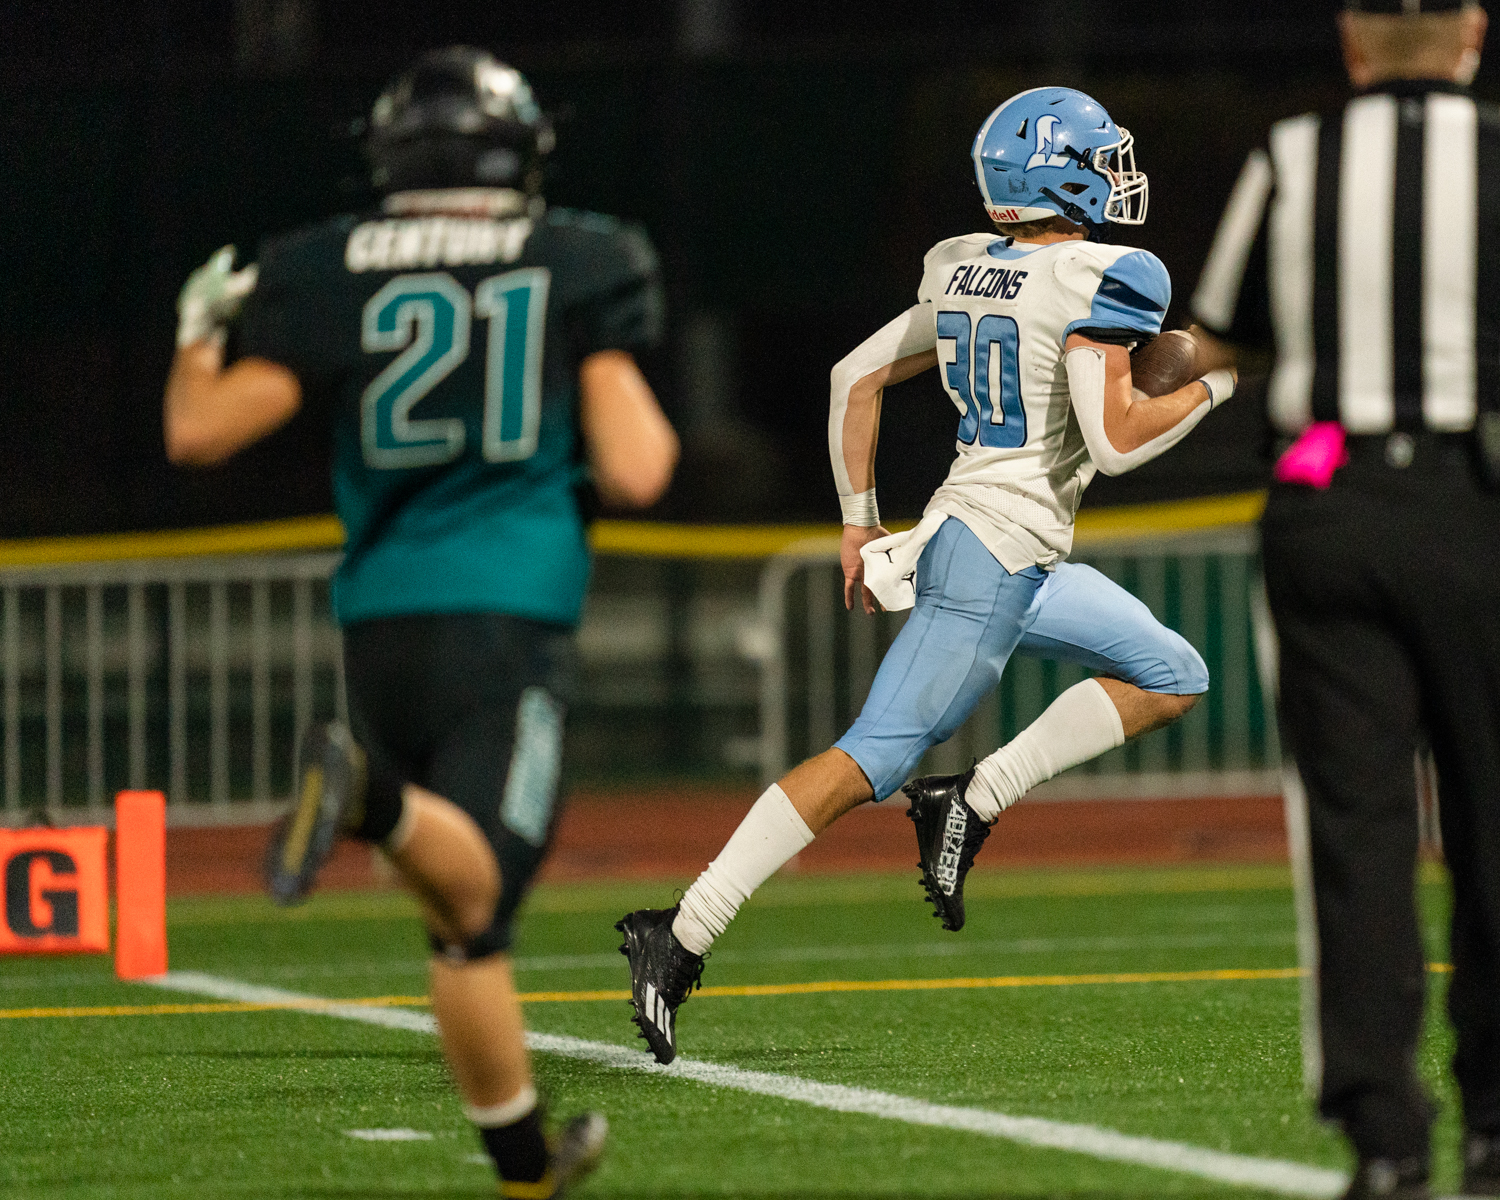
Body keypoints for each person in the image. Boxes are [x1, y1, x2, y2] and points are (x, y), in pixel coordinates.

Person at [616, 86, 1235, 1065]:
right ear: (1059, 173)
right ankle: (681, 932)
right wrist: (1211, 383)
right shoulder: (1108, 274)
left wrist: (858, 522)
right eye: (1101, 157)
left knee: (1173, 674)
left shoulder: (964, 267)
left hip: (1014, 554)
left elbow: (851, 380)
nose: (1117, 175)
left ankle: (971, 801)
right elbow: (1114, 443)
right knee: (871, 758)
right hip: (992, 558)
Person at [162, 47, 679, 1199]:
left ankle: (525, 1167)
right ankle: (366, 797)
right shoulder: (577, 258)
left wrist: (199, 329)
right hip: (508, 613)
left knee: (460, 920)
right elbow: (640, 467)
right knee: (486, 881)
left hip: (382, 622)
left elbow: (198, 433)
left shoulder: (328, 265)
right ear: (517, 155)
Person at [1190, 3, 1500, 1197]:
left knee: (1358, 837)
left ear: (1353, 42)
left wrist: (1100, 382)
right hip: (1482, 510)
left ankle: (1385, 1136)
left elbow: (1210, 344)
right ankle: (1495, 1128)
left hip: (1334, 507)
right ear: (1471, 34)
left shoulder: (1291, 155)